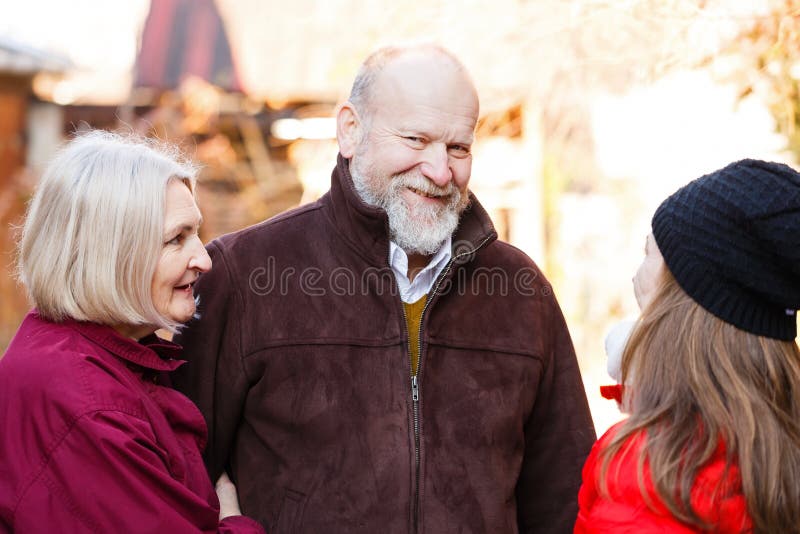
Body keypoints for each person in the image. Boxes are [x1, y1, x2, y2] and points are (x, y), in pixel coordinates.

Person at [174, 44, 596, 534]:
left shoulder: (522, 293)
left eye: (458, 148)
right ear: (351, 129)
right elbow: (180, 478)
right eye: (416, 139)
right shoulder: (244, 274)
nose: (441, 172)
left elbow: (565, 500)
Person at [0, 131, 264, 533]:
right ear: (110, 253)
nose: (203, 259)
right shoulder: (83, 401)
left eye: (197, 232)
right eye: (176, 239)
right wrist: (232, 518)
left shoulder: (95, 354)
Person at [575, 159, 800, 533]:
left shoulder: (642, 474)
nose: (636, 274)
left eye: (648, 253)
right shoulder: (781, 447)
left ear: (680, 294)